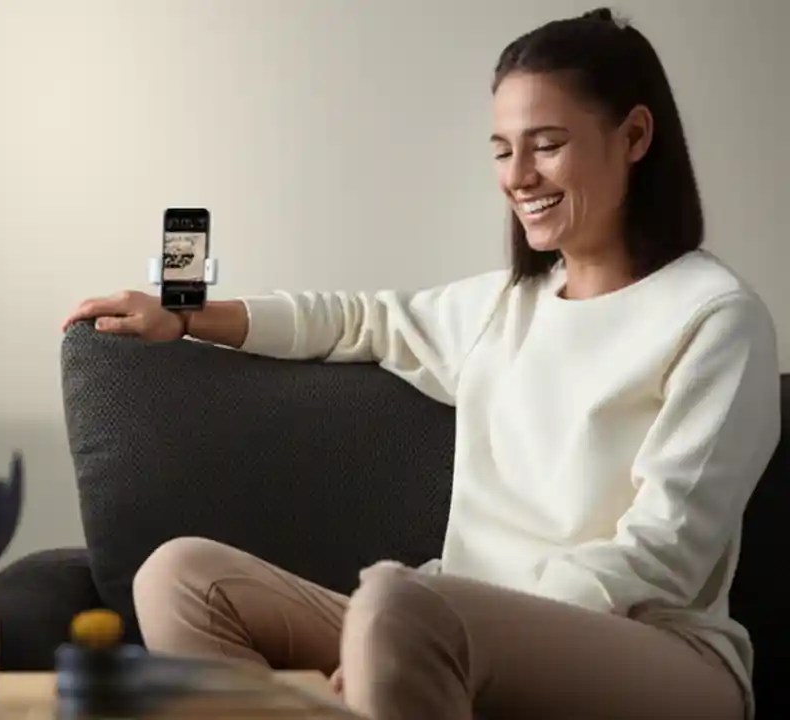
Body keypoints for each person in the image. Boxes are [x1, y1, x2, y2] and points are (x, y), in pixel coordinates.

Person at [62, 8, 780, 720]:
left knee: (399, 605)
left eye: (548, 144)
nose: (519, 176)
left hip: (656, 653)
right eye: (502, 150)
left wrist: (429, 629)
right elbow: (355, 321)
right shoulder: (506, 305)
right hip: (438, 626)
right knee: (179, 577)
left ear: (634, 136)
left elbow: (665, 552)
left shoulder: (716, 317)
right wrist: (186, 315)